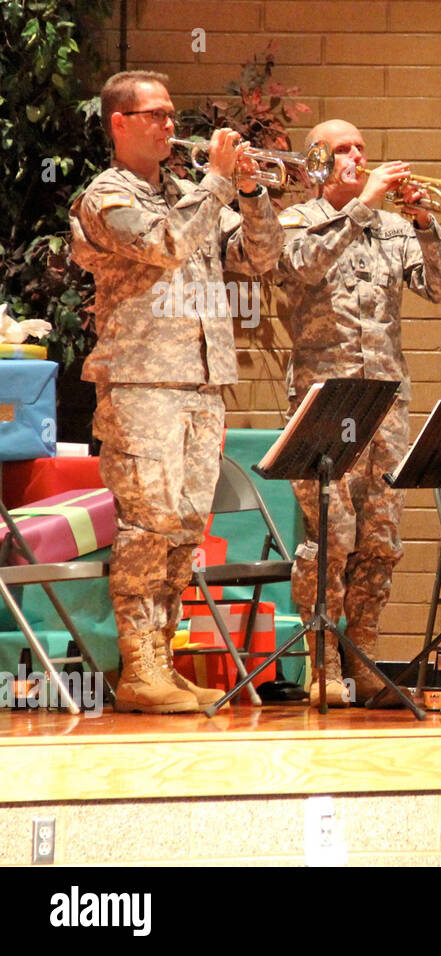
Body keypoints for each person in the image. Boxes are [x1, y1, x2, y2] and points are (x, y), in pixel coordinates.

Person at [70, 71, 283, 713]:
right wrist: (217, 184)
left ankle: (163, 657)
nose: (169, 124)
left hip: (201, 380)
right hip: (142, 383)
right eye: (155, 114)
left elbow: (263, 257)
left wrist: (248, 193)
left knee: (187, 526)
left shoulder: (193, 193)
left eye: (170, 113)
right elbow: (166, 245)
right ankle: (138, 668)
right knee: (147, 522)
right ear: (120, 122)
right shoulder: (104, 198)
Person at [275, 120, 441, 706]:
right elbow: (301, 266)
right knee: (331, 536)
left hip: (385, 404)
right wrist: (363, 205)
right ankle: (323, 662)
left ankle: (364, 656)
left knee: (380, 539)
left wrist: (426, 224)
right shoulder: (296, 222)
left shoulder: (393, 229)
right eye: (344, 149)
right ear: (317, 160)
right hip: (323, 401)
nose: (358, 156)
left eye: (361, 147)